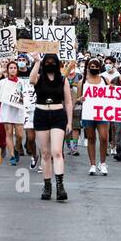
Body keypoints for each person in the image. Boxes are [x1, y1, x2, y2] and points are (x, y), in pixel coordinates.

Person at [30, 52, 72, 202]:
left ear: (57, 63)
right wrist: (36, 62)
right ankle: (47, 186)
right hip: (41, 115)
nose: (50, 64)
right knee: (45, 152)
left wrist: (69, 122)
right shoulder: (39, 78)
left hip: (58, 116)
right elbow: (31, 80)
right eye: (46, 61)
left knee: (57, 152)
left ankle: (60, 186)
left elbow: (68, 102)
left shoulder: (63, 80)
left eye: (52, 61)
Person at [77, 57, 111, 176]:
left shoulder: (105, 80)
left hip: (102, 113)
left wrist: (112, 89)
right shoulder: (83, 82)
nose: (94, 68)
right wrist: (80, 99)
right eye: (92, 67)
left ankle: (102, 163)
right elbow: (77, 99)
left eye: (96, 66)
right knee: (91, 138)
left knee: (104, 137)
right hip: (88, 114)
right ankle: (92, 164)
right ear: (88, 67)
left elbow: (112, 94)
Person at [0, 59, 27, 167]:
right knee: (9, 133)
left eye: (14, 68)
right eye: (11, 68)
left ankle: (17, 148)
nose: (13, 70)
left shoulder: (21, 82)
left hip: (18, 110)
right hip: (7, 109)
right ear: (7, 70)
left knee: (20, 135)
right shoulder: (3, 82)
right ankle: (12, 155)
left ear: (17, 70)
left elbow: (26, 96)